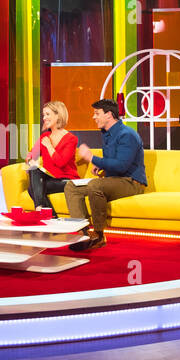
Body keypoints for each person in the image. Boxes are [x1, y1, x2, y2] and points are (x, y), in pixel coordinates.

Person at [65, 99, 146, 252]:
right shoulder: (107, 134)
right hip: (114, 181)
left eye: (97, 113)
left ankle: (99, 234)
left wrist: (92, 158)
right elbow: (114, 162)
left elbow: (122, 166)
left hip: (132, 183)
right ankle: (83, 234)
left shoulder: (127, 134)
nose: (93, 117)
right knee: (71, 187)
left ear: (109, 115)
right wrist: (100, 166)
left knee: (95, 185)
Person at [23, 101, 78, 210]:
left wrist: (49, 146)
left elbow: (61, 163)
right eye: (43, 115)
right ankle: (44, 212)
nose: (44, 118)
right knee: (34, 169)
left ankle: (43, 212)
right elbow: (30, 156)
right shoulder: (45, 136)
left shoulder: (71, 139)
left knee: (32, 189)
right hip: (49, 179)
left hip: (67, 180)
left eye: (48, 114)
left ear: (58, 115)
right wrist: (30, 162)